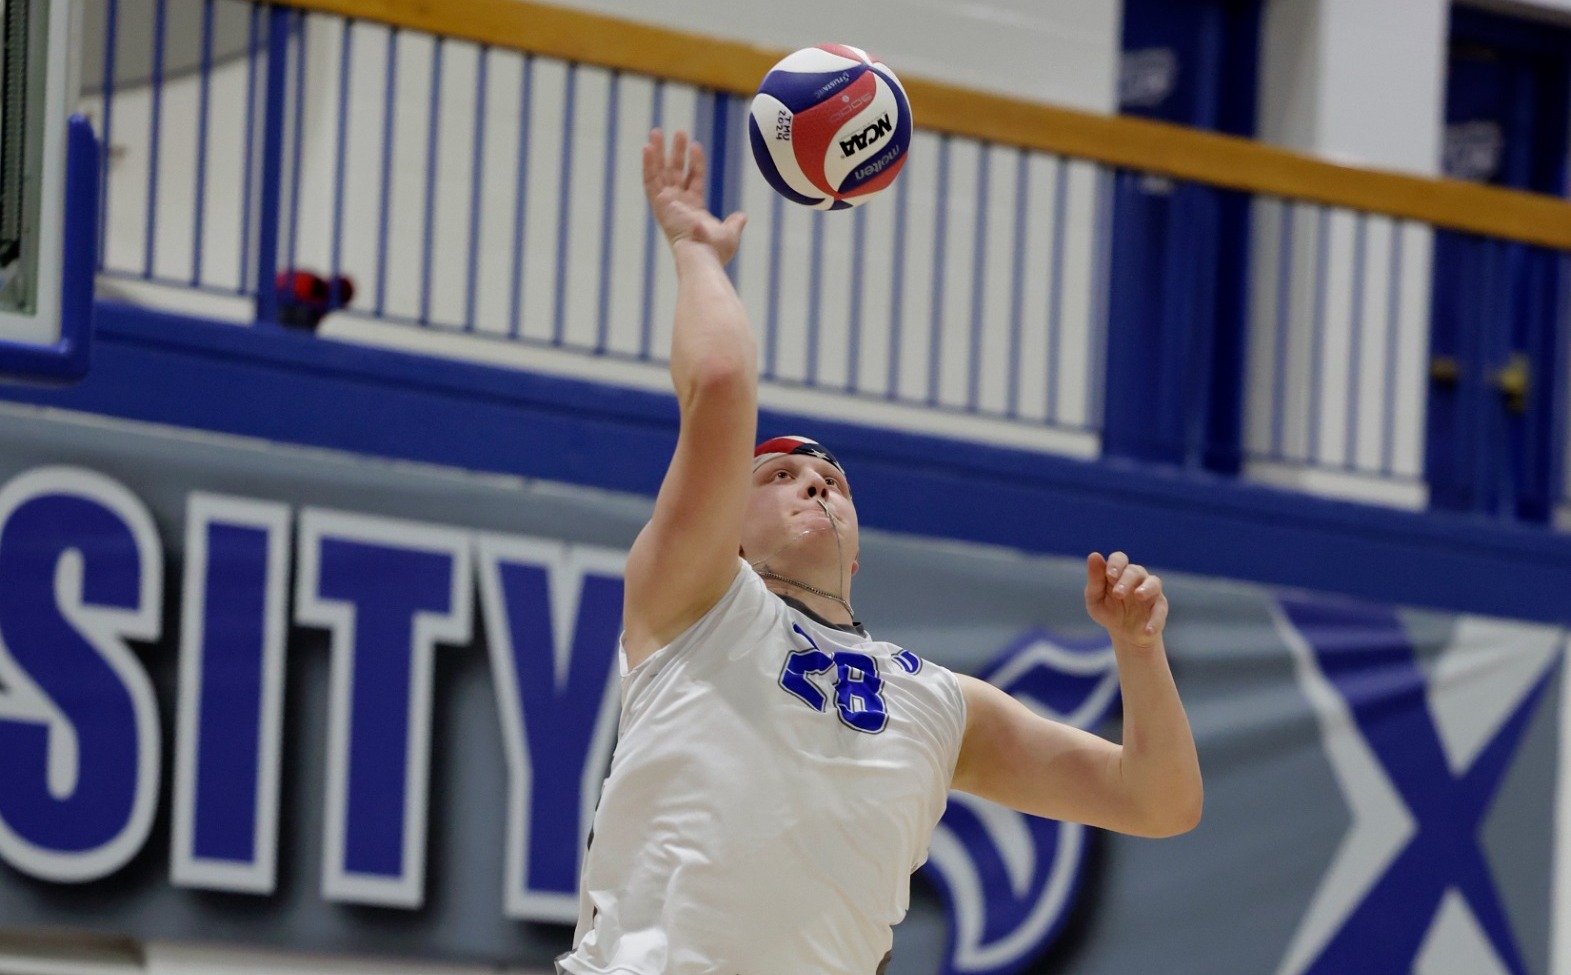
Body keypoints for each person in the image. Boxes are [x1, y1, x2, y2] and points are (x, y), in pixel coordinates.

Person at [555, 130, 1203, 975]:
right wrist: (694, 250)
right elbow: (719, 381)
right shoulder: (695, 606)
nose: (816, 484)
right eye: (779, 473)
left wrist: (1139, 650)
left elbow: (1158, 801)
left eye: (832, 480)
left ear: (856, 553)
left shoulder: (939, 700)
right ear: (731, 532)